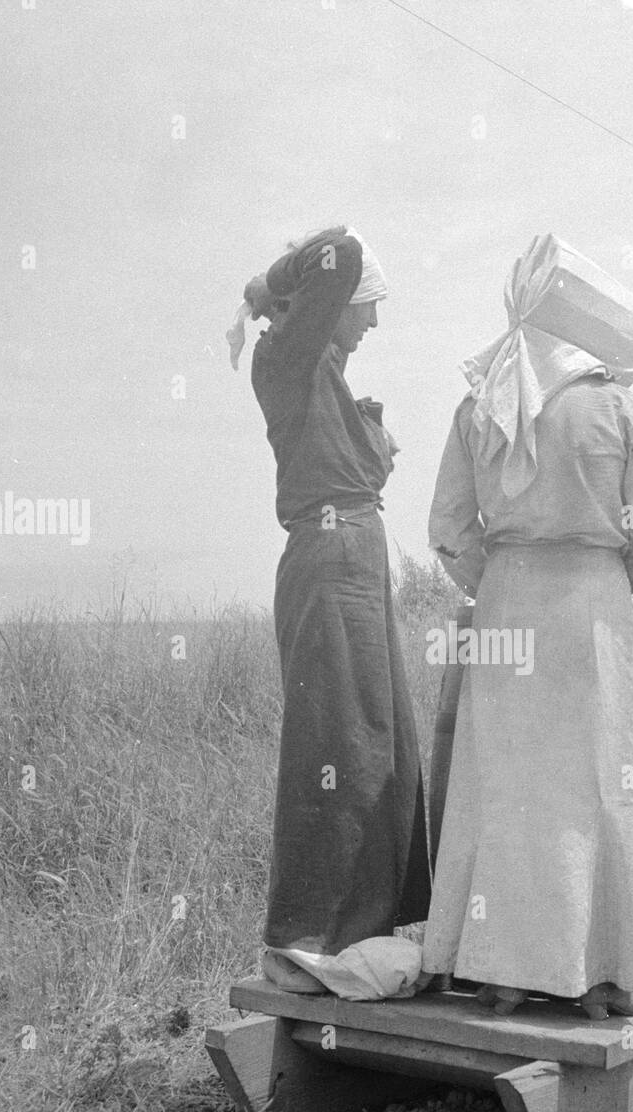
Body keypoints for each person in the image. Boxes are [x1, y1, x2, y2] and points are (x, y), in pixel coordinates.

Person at [423, 238, 633, 1018]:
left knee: (506, 786)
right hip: (590, 606)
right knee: (596, 786)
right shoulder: (619, 408)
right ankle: (602, 974)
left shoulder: (482, 403)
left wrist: (503, 582)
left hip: (506, 604)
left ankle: (499, 971)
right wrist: (600, 580)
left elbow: (450, 529)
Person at [228, 225, 431, 988]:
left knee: (373, 736)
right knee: (335, 737)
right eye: (366, 305)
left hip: (350, 556)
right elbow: (339, 252)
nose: (372, 320)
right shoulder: (288, 352)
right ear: (328, 303)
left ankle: (354, 931)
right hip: (331, 555)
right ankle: (308, 936)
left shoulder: (321, 369)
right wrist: (265, 281)